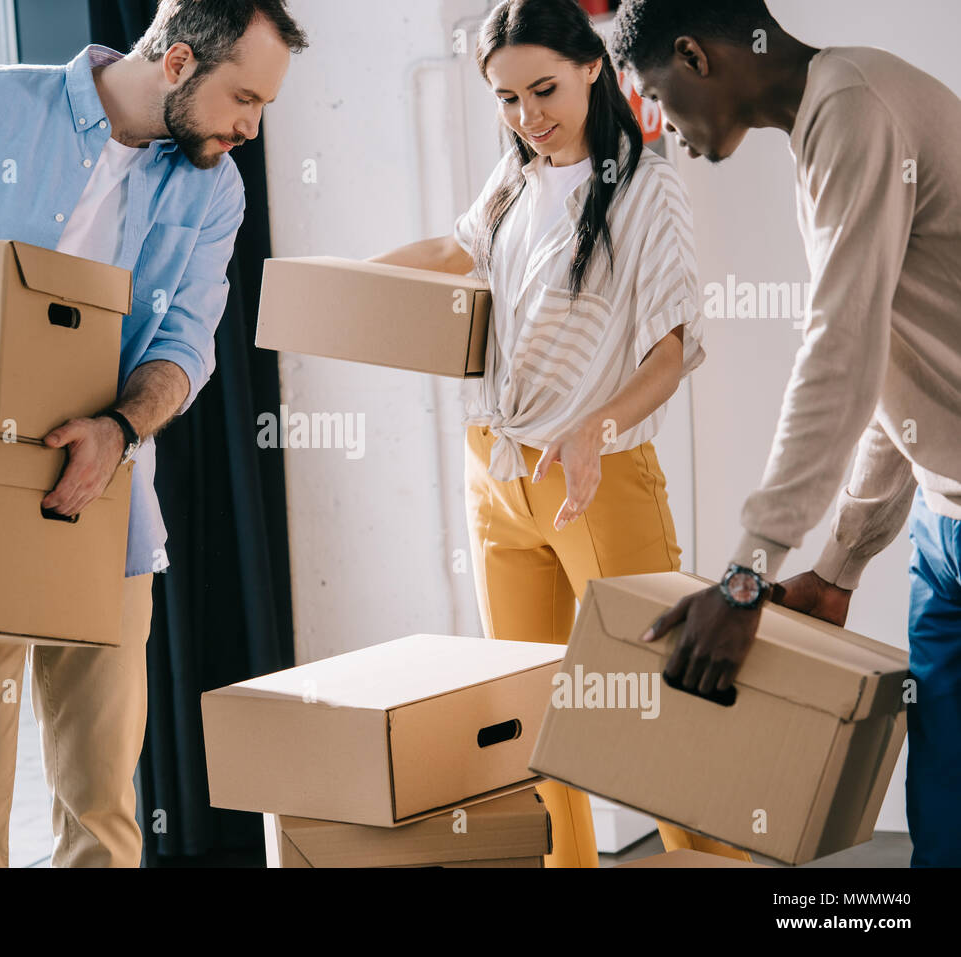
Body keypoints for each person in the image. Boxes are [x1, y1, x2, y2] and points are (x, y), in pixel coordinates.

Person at [0, 0, 307, 867]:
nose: (250, 125)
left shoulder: (214, 188)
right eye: (244, 98)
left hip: (107, 512)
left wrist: (119, 429)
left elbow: (183, 346)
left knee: (101, 814)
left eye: (264, 107)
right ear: (176, 63)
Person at [371, 0, 747, 866]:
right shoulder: (512, 181)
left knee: (654, 707)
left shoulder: (649, 187)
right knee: (532, 716)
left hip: (601, 478)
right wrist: (340, 284)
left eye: (542, 89)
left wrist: (596, 424)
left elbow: (676, 346)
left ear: (592, 69)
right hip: (498, 475)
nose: (528, 116)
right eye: (506, 99)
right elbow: (452, 252)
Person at [613, 0, 961, 867]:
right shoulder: (831, 118)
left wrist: (746, 573)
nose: (669, 132)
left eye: (657, 97)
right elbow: (888, 372)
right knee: (946, 819)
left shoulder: (856, 107)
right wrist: (841, 564)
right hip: (943, 528)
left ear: (693, 55)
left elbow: (839, 354)